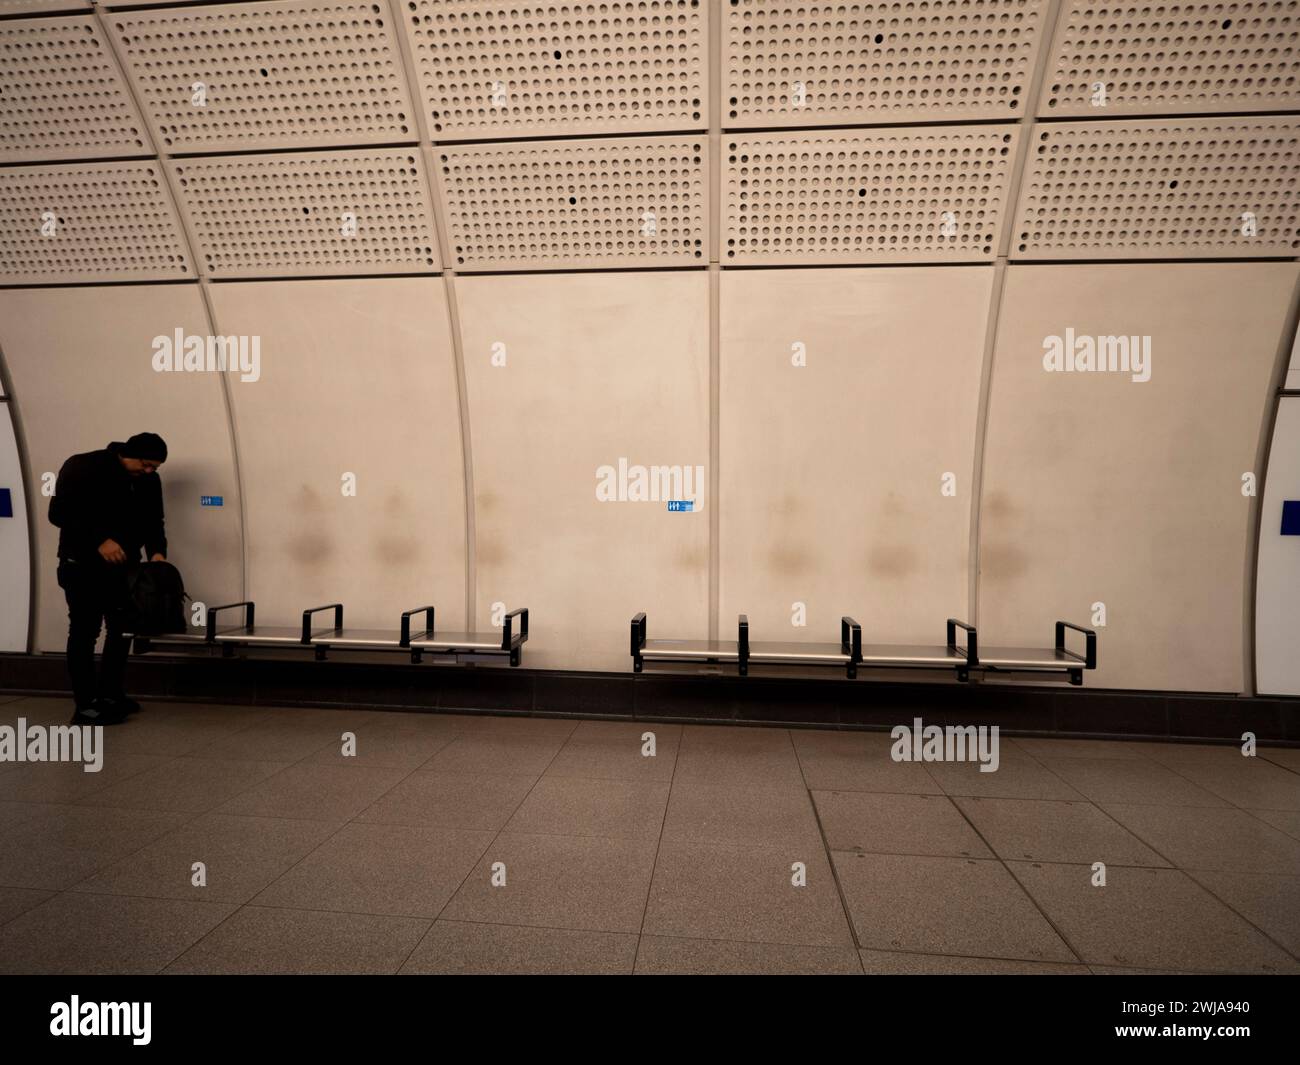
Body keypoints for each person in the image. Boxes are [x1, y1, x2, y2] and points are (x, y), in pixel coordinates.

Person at [49, 433, 168, 725]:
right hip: (82, 566)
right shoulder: (83, 466)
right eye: (146, 464)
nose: (149, 471)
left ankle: (111, 694)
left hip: (125, 570)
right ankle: (86, 704)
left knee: (122, 630)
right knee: (84, 631)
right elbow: (59, 512)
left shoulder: (148, 481)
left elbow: (154, 521)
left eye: (155, 467)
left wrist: (157, 554)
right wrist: (99, 541)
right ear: (128, 453)